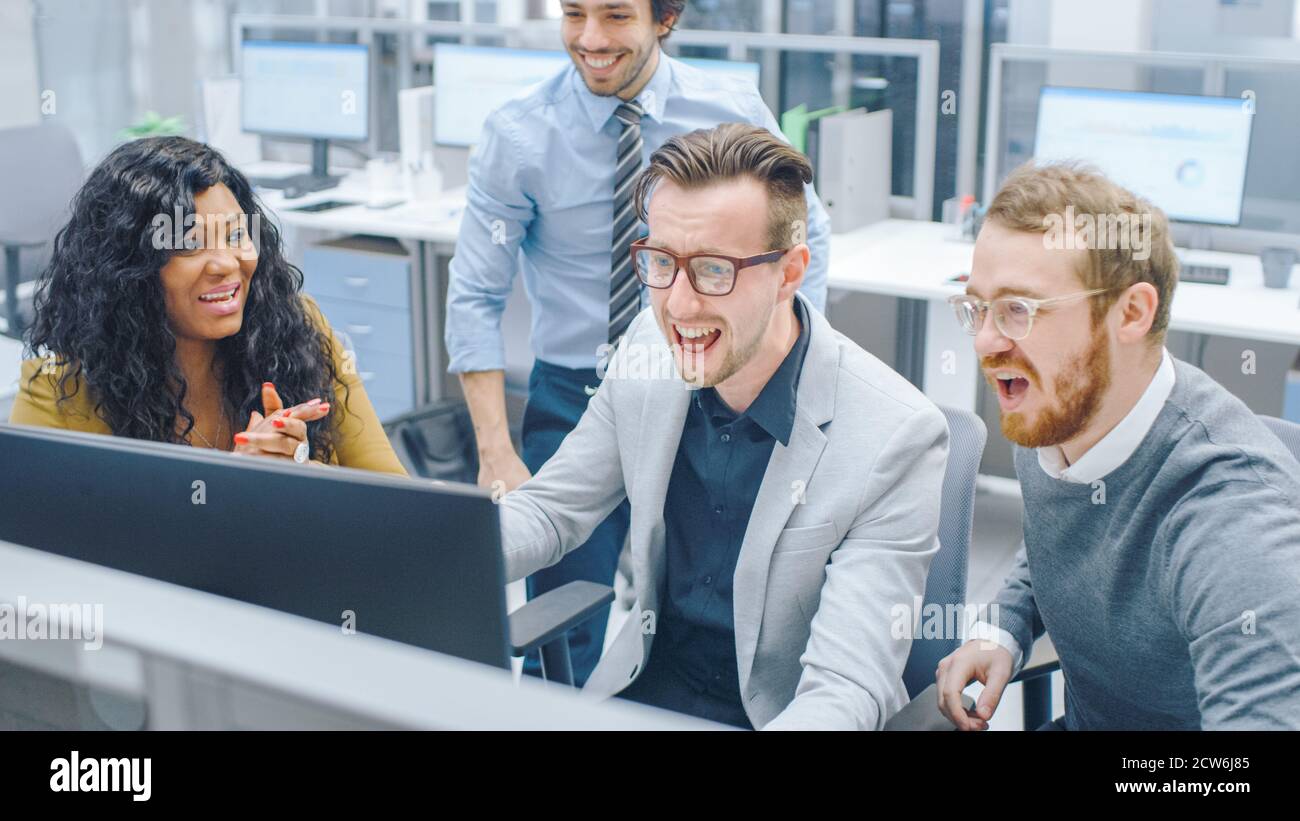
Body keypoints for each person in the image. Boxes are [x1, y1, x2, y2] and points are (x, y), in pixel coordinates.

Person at [497, 124, 947, 729]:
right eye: (660, 262)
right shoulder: (645, 352)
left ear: (790, 273)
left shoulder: (895, 435)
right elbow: (552, 512)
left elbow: (844, 688)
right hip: (644, 694)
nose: (678, 306)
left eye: (712, 270)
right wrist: (426, 553)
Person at [444, 0, 833, 685]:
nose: (590, 38)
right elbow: (476, 294)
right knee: (563, 625)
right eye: (574, 14)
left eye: (616, 15)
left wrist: (787, 371)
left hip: (710, 390)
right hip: (575, 396)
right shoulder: (520, 134)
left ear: (665, 19)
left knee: (719, 610)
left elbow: (807, 236)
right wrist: (495, 452)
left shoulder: (728, 108)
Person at [935, 162, 1300, 730]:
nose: (985, 340)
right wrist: (1003, 625)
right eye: (977, 307)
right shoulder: (1061, 410)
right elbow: (1065, 540)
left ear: (1131, 313)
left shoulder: (1231, 520)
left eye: (1019, 310)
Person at [10, 136, 406, 476]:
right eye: (189, 244)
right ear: (126, 271)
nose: (225, 264)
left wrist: (299, 472)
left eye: (236, 234)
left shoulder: (298, 328)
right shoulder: (58, 391)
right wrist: (232, 483)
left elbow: (397, 499)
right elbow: (56, 551)